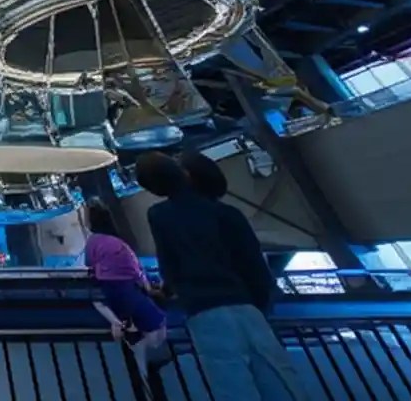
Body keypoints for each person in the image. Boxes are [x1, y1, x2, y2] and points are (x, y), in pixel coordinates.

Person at [136, 152, 307, 401]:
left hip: (204, 312)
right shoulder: (228, 214)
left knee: (231, 385)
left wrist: (166, 292)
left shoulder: (159, 215)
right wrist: (258, 305)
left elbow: (170, 264)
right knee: (280, 380)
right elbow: (255, 266)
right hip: (246, 307)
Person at [84, 200, 167, 376]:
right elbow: (136, 269)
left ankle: (121, 328)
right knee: (155, 325)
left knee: (99, 302)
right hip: (129, 289)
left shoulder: (95, 241)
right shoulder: (120, 243)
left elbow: (89, 264)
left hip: (116, 288)